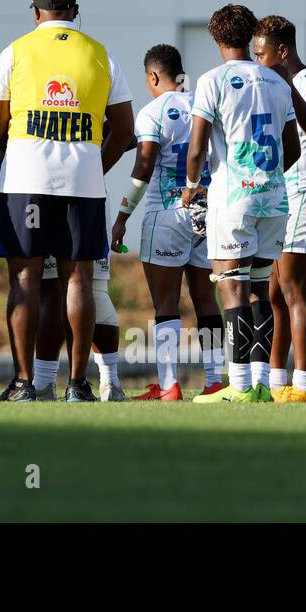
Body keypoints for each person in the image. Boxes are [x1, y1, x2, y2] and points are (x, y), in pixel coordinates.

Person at [0, 0, 134, 402]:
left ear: (36, 13)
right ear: (75, 10)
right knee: (79, 279)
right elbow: (123, 130)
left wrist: (16, 143)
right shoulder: (100, 53)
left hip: (26, 179)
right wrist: (95, 165)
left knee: (26, 278)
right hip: (82, 181)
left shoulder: (16, 50)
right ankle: (78, 384)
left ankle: (23, 383)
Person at [184, 4, 300, 404]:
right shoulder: (278, 81)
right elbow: (293, 148)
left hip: (232, 198)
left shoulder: (211, 80)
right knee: (259, 292)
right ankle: (261, 383)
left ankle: (239, 387)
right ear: (251, 36)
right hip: (274, 197)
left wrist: (190, 184)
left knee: (231, 290)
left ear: (216, 38)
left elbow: (197, 147)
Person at [111, 44, 223, 401]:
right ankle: (215, 380)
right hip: (208, 214)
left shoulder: (152, 112)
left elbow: (143, 170)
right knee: (207, 302)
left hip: (167, 214)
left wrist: (121, 218)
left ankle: (170, 384)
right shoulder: (205, 107)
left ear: (153, 77)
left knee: (166, 305)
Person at [251, 15, 306, 402]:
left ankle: (303, 387)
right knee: (274, 293)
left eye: (261, 54)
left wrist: (288, 90)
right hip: (280, 193)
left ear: (281, 51)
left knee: (296, 289)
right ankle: (275, 382)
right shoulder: (268, 82)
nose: (257, 61)